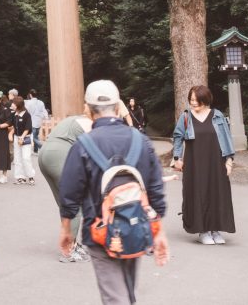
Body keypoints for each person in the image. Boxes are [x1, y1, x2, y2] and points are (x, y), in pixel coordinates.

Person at [58, 80, 169, 304]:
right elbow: (156, 191)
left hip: (100, 230)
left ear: (87, 110)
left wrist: (66, 230)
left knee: (115, 298)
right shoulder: (141, 141)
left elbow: (69, 194)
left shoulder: (83, 145)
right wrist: (160, 233)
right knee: (127, 291)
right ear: (119, 107)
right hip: (137, 227)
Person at [171, 84, 236, 245]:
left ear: (205, 100)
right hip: (194, 162)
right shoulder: (186, 117)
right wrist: (177, 157)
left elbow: (227, 138)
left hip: (216, 160)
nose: (193, 103)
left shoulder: (217, 115)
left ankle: (216, 229)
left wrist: (229, 160)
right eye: (191, 99)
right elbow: (178, 137)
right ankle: (203, 230)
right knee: (198, 193)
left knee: (217, 193)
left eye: (196, 100)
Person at [38, 110, 93, 262]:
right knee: (75, 203)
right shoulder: (91, 124)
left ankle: (72, 243)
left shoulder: (75, 120)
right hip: (59, 155)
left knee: (65, 204)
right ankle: (69, 250)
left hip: (44, 154)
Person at [10, 96, 35, 185]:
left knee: (26, 157)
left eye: (13, 103)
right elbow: (11, 125)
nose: (12, 104)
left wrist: (22, 138)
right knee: (17, 158)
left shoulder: (26, 115)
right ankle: (20, 177)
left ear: (18, 105)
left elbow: (27, 128)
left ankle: (31, 176)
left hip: (26, 137)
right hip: (17, 137)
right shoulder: (14, 114)